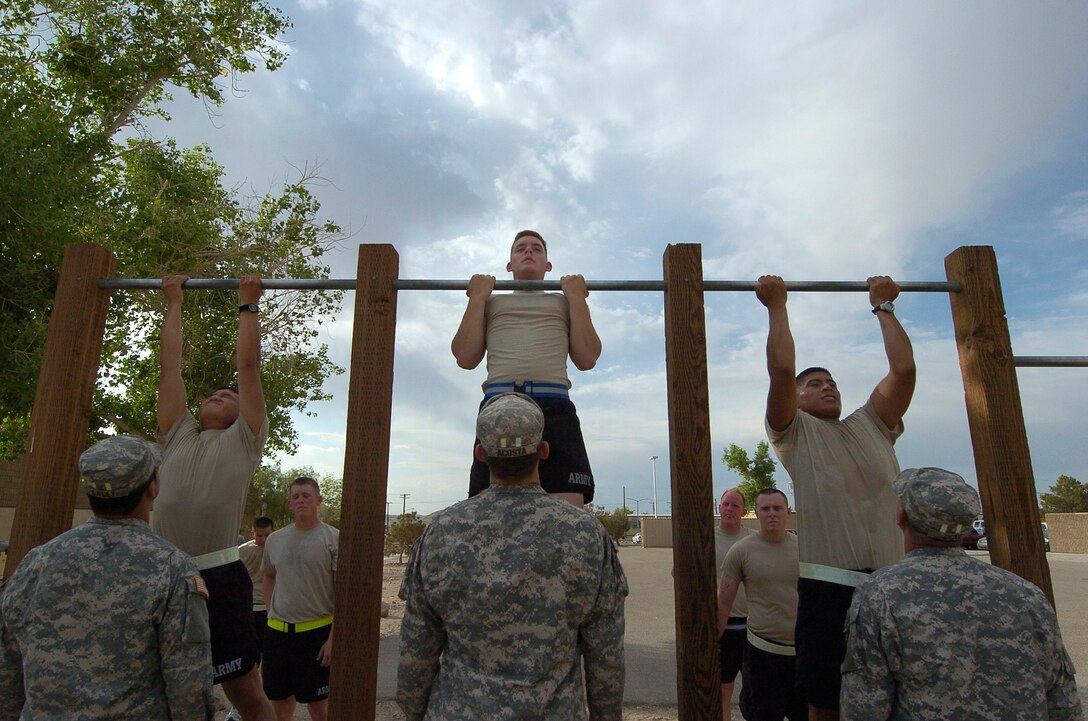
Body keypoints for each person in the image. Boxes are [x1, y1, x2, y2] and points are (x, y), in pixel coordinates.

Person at [397, 392, 627, 721]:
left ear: (481, 454)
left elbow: (415, 652)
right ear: (544, 451)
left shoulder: (441, 532)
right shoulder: (586, 534)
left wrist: (414, 712)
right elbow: (606, 657)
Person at [755, 274, 915, 721]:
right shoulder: (794, 433)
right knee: (824, 699)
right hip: (829, 588)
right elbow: (783, 371)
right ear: (798, 401)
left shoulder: (872, 424)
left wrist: (883, 307)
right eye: (816, 384)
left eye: (832, 382)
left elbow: (903, 371)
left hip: (891, 583)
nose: (828, 386)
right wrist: (776, 307)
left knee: (898, 694)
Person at [0, 435, 215, 720]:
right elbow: (188, 685)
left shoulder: (37, 561)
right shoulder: (172, 568)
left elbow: (8, 667)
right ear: (153, 487)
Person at [841, 467, 1083, 720]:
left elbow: (864, 705)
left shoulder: (880, 594)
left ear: (901, 516)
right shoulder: (1026, 594)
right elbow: (1063, 701)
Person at [155, 273, 274, 721]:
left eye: (229, 396)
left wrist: (248, 305)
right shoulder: (177, 434)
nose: (218, 394)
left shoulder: (245, 439)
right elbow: (170, 369)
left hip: (219, 576)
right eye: (212, 392)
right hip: (164, 575)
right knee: (163, 686)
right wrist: (174, 302)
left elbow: (248, 370)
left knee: (243, 689)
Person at [451, 229, 602, 506]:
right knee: (489, 509)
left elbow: (587, 359)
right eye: (521, 248)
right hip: (500, 404)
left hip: (553, 405)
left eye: (536, 248)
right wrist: (477, 298)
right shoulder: (491, 301)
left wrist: (578, 299)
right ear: (509, 265)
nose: (528, 251)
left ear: (548, 265)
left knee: (568, 509)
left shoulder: (565, 301)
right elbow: (465, 357)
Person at [717, 488, 804, 721]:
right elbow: (723, 603)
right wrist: (711, 643)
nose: (772, 514)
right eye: (765, 509)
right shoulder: (741, 551)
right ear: (756, 513)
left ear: (788, 511)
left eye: (777, 508)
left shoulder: (805, 549)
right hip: (762, 655)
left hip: (800, 653)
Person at [261, 478, 338, 721]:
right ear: (289, 504)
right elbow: (268, 576)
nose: (301, 500)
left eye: (306, 495)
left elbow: (342, 594)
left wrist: (332, 639)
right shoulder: (274, 540)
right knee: (280, 703)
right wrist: (269, 612)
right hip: (278, 635)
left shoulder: (333, 539)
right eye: (296, 497)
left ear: (319, 500)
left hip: (316, 636)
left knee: (319, 707)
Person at [715, 488, 755, 721]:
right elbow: (678, 573)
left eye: (735, 506)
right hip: (723, 626)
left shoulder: (752, 541)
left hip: (752, 627)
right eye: (725, 504)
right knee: (723, 688)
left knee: (755, 690)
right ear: (719, 507)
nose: (729, 509)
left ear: (743, 511)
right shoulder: (706, 538)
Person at [240, 517, 275, 651]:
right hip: (250, 606)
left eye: (267, 535)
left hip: (270, 607)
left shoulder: (277, 550)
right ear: (253, 533)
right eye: (259, 535)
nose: (263, 539)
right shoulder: (242, 551)